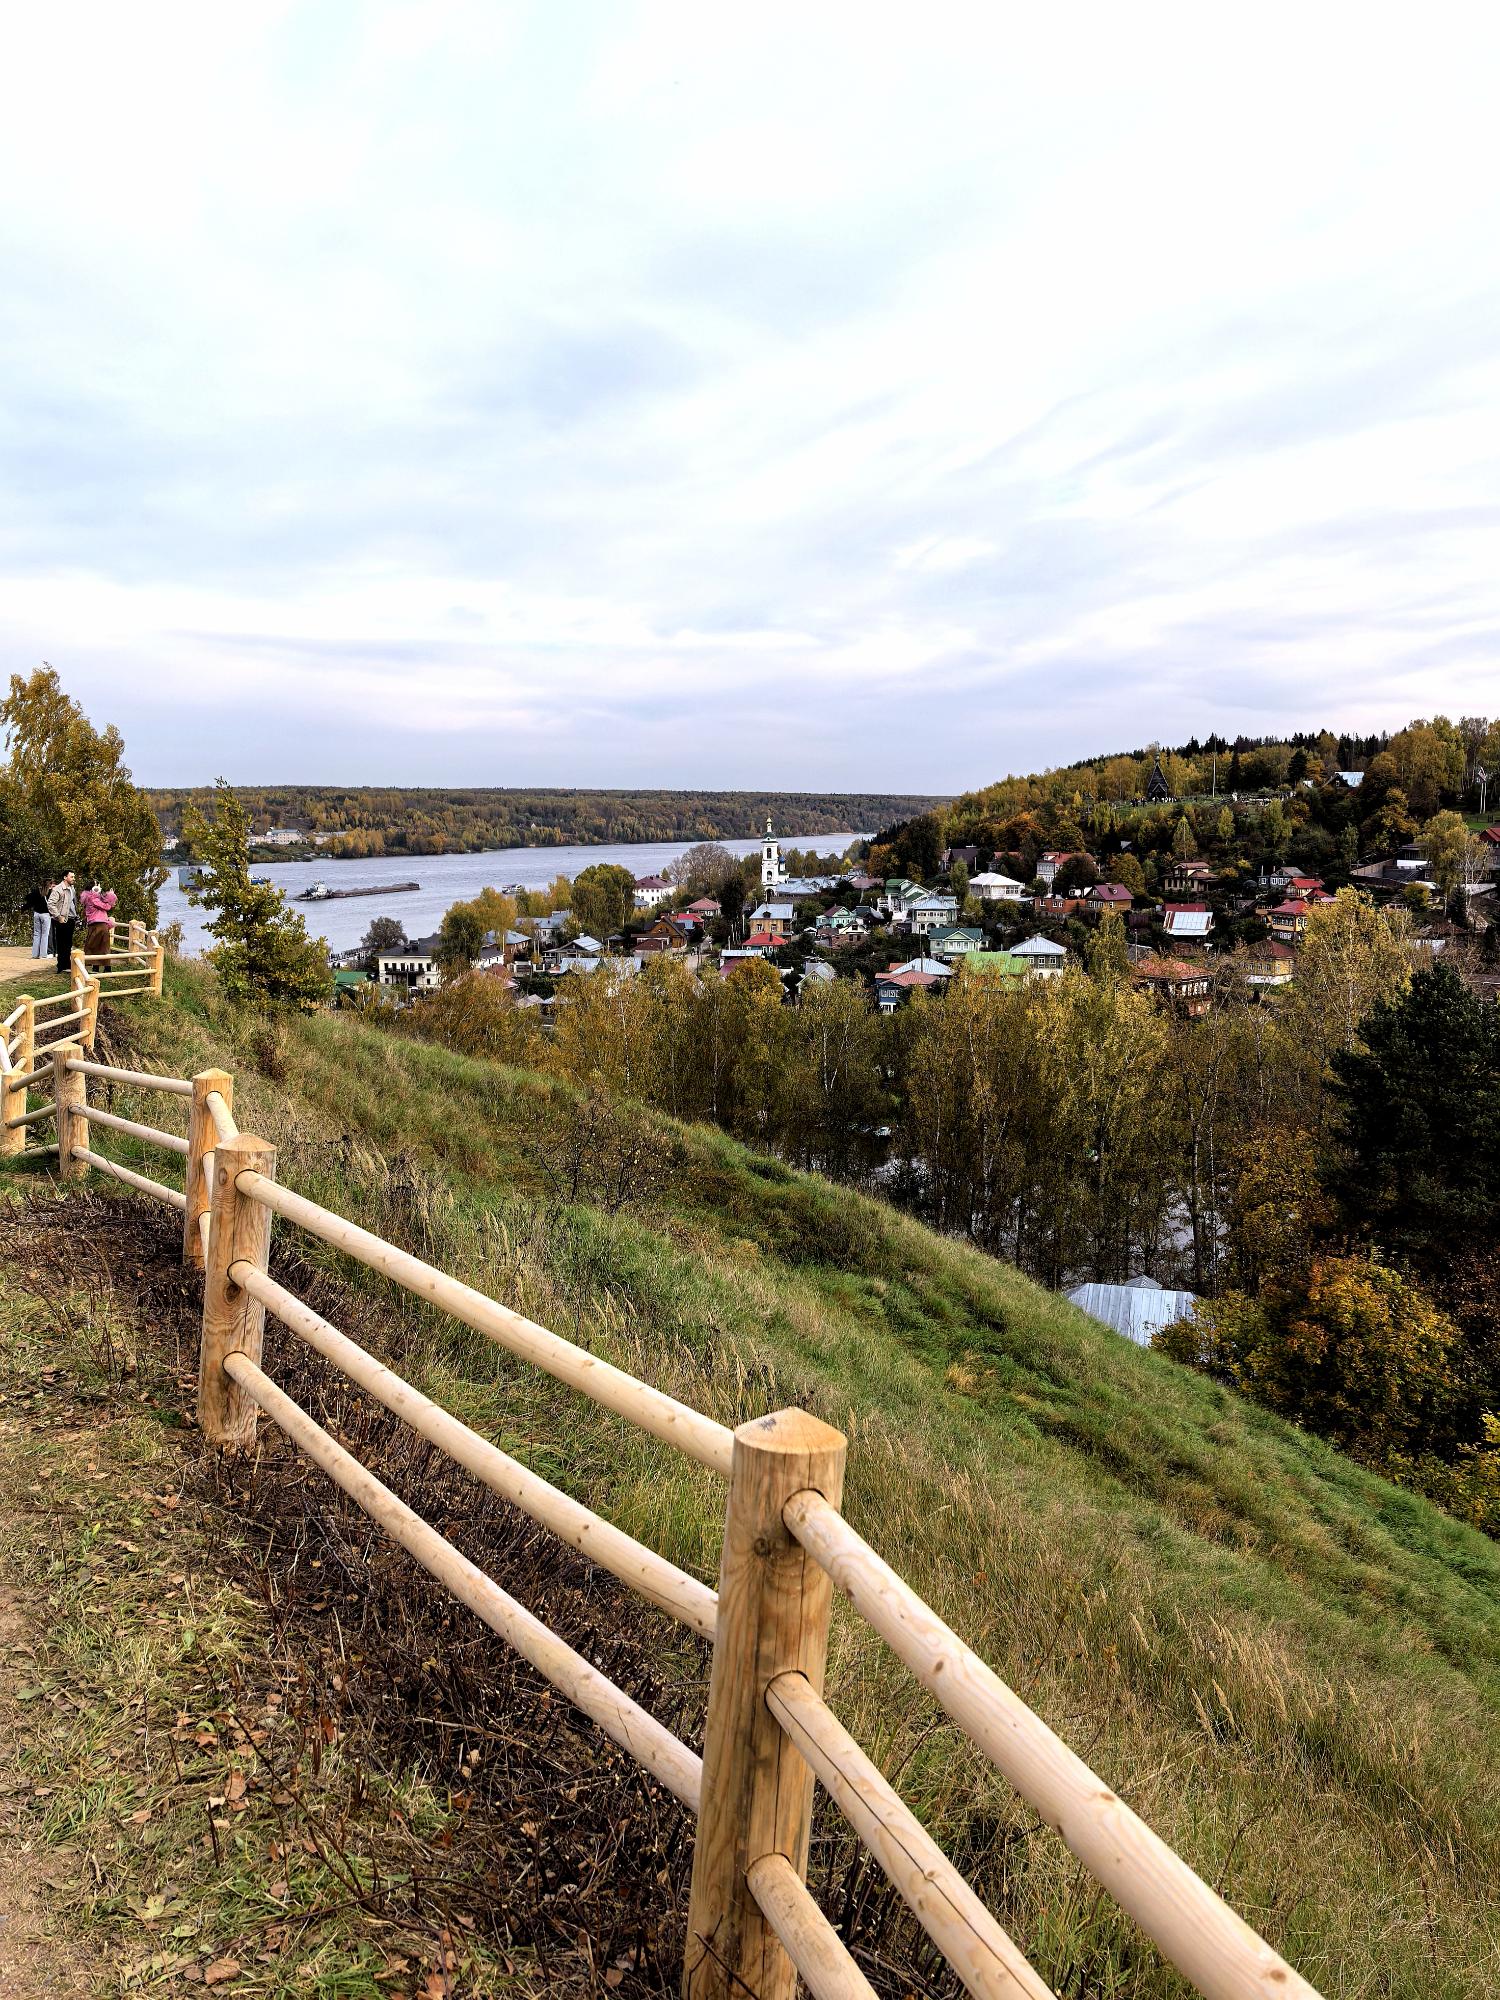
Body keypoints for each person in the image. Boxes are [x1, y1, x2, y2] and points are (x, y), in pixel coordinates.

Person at [47, 871, 76, 974]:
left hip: (71, 918)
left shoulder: (72, 888)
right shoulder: (58, 889)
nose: (73, 878)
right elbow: (51, 904)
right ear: (65, 877)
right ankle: (61, 966)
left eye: (74, 877)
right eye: (71, 876)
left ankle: (67, 965)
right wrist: (58, 916)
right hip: (62, 919)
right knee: (61, 943)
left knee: (68, 943)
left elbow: (73, 903)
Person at [80, 881, 117, 962]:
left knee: (93, 944)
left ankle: (92, 964)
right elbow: (106, 906)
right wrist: (111, 895)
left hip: (93, 923)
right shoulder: (93, 899)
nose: (99, 888)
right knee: (103, 946)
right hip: (100, 924)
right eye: (97, 886)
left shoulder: (89, 897)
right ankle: (104, 966)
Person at [25, 883, 51, 959]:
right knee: (45, 935)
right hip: (45, 915)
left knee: (36, 934)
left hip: (36, 914)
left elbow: (27, 898)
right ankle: (43, 955)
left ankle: (35, 954)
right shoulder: (49, 893)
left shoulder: (36, 891)